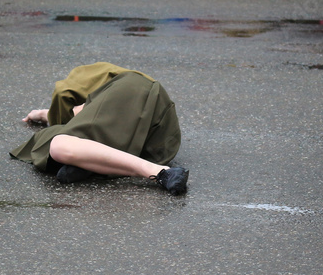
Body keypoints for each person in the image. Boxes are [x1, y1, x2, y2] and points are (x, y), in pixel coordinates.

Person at [10, 62, 189, 195]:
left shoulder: (100, 78)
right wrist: (45, 114)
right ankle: (92, 166)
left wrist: (49, 114)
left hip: (131, 97)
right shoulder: (125, 86)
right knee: (82, 145)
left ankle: (160, 172)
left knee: (58, 144)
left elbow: (65, 95)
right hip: (160, 136)